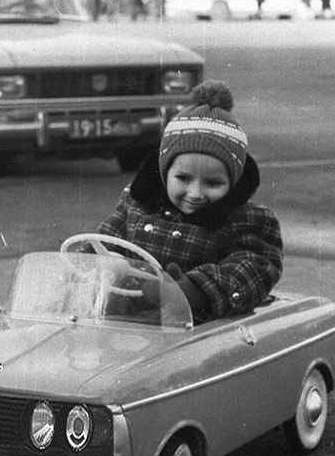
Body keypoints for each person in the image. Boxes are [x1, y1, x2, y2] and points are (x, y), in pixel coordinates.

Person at [94, 80, 283, 323]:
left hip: (193, 329)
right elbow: (103, 241)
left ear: (233, 181)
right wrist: (94, 263)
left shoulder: (246, 220)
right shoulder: (137, 203)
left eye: (212, 183)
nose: (195, 193)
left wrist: (194, 290)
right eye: (183, 178)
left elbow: (252, 268)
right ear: (165, 172)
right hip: (121, 322)